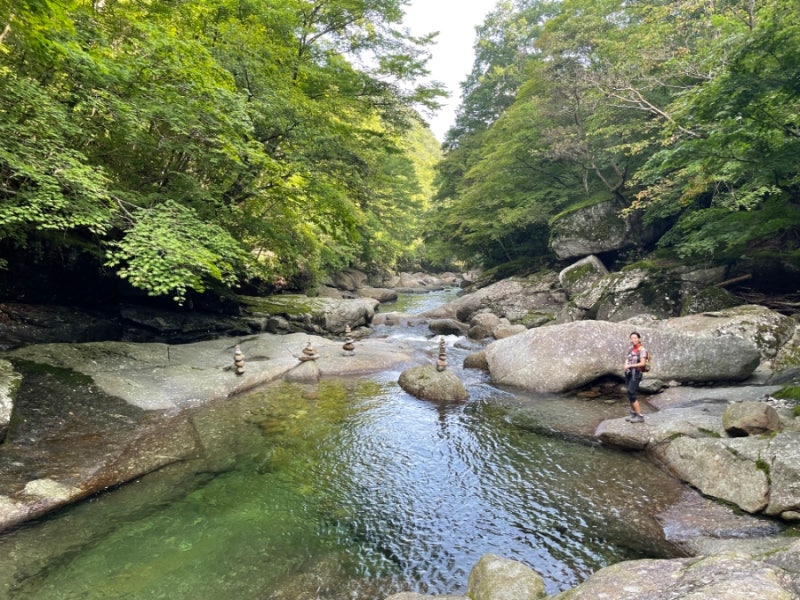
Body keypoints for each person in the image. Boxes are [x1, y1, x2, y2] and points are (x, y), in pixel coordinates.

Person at [624, 332, 647, 423]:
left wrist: (630, 366)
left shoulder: (642, 350)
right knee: (629, 393)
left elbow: (642, 363)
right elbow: (627, 358)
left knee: (632, 392)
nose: (633, 340)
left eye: (634, 338)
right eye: (631, 338)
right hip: (629, 373)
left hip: (636, 373)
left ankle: (639, 416)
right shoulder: (631, 349)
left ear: (639, 339)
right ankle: (633, 413)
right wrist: (625, 363)